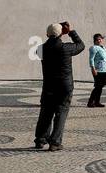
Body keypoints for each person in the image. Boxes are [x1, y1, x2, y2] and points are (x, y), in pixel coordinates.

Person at [35, 20, 84, 151]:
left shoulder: (40, 49)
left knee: (46, 112)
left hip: (49, 85)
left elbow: (41, 49)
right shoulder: (66, 48)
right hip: (64, 86)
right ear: (61, 33)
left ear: (47, 34)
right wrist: (71, 32)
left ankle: (40, 140)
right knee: (61, 112)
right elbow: (81, 45)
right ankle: (55, 142)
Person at [87, 33, 106, 107]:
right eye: (97, 39)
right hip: (98, 70)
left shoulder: (103, 47)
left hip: (104, 70)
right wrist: (93, 69)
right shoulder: (94, 48)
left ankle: (97, 102)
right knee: (97, 87)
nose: (99, 40)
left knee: (100, 87)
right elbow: (91, 59)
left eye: (100, 39)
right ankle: (90, 102)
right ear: (95, 40)